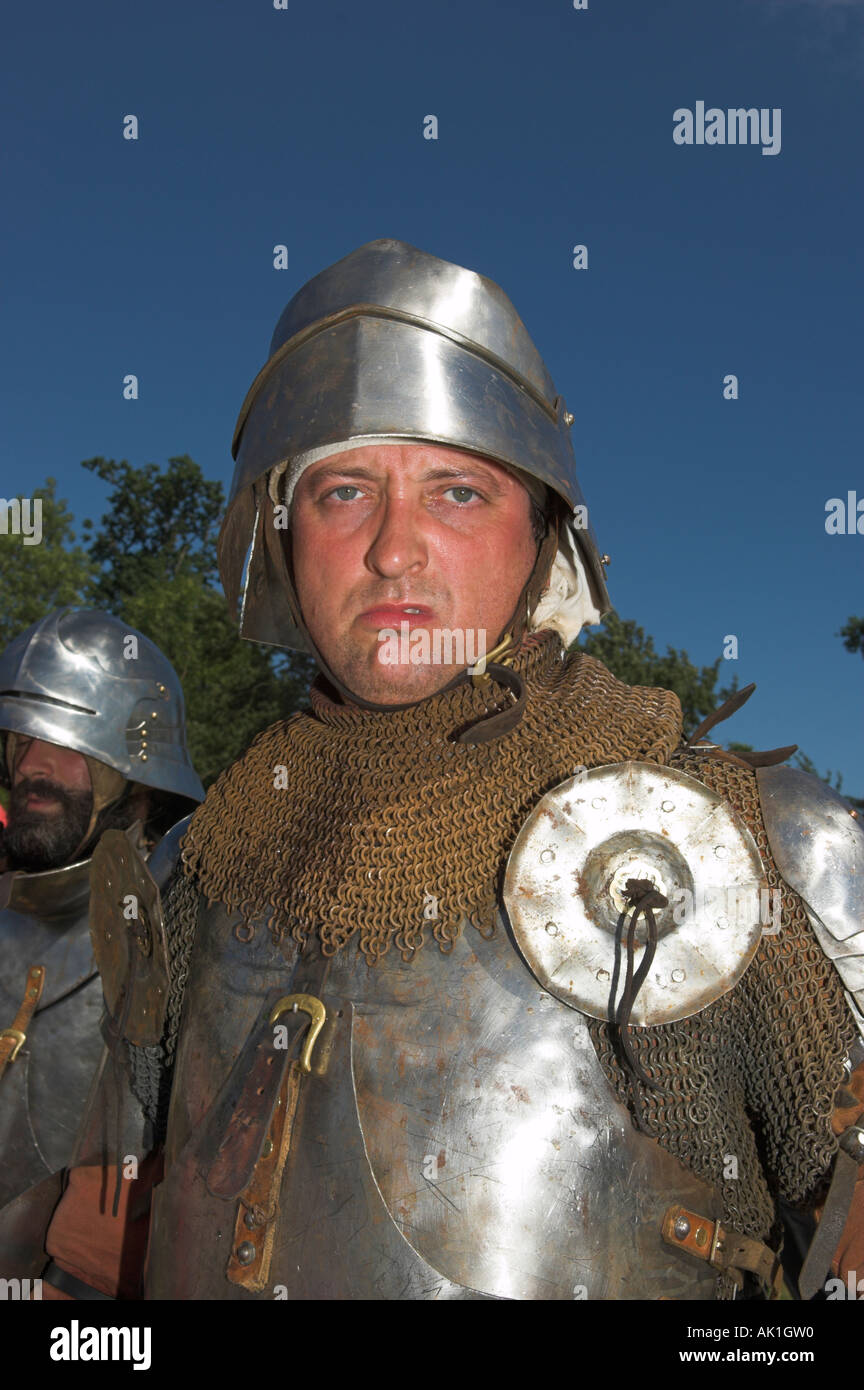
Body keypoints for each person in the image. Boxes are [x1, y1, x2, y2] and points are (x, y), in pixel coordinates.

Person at [19, 240, 864, 1300]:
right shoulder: (205, 859)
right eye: (341, 491)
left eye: (457, 491)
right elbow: (109, 1250)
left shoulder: (734, 841)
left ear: (543, 532)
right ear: (279, 539)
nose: (393, 549)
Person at [0, 608, 203, 1221]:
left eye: (66, 747)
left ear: (137, 778)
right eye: (20, 740)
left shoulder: (182, 936)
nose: (33, 765)